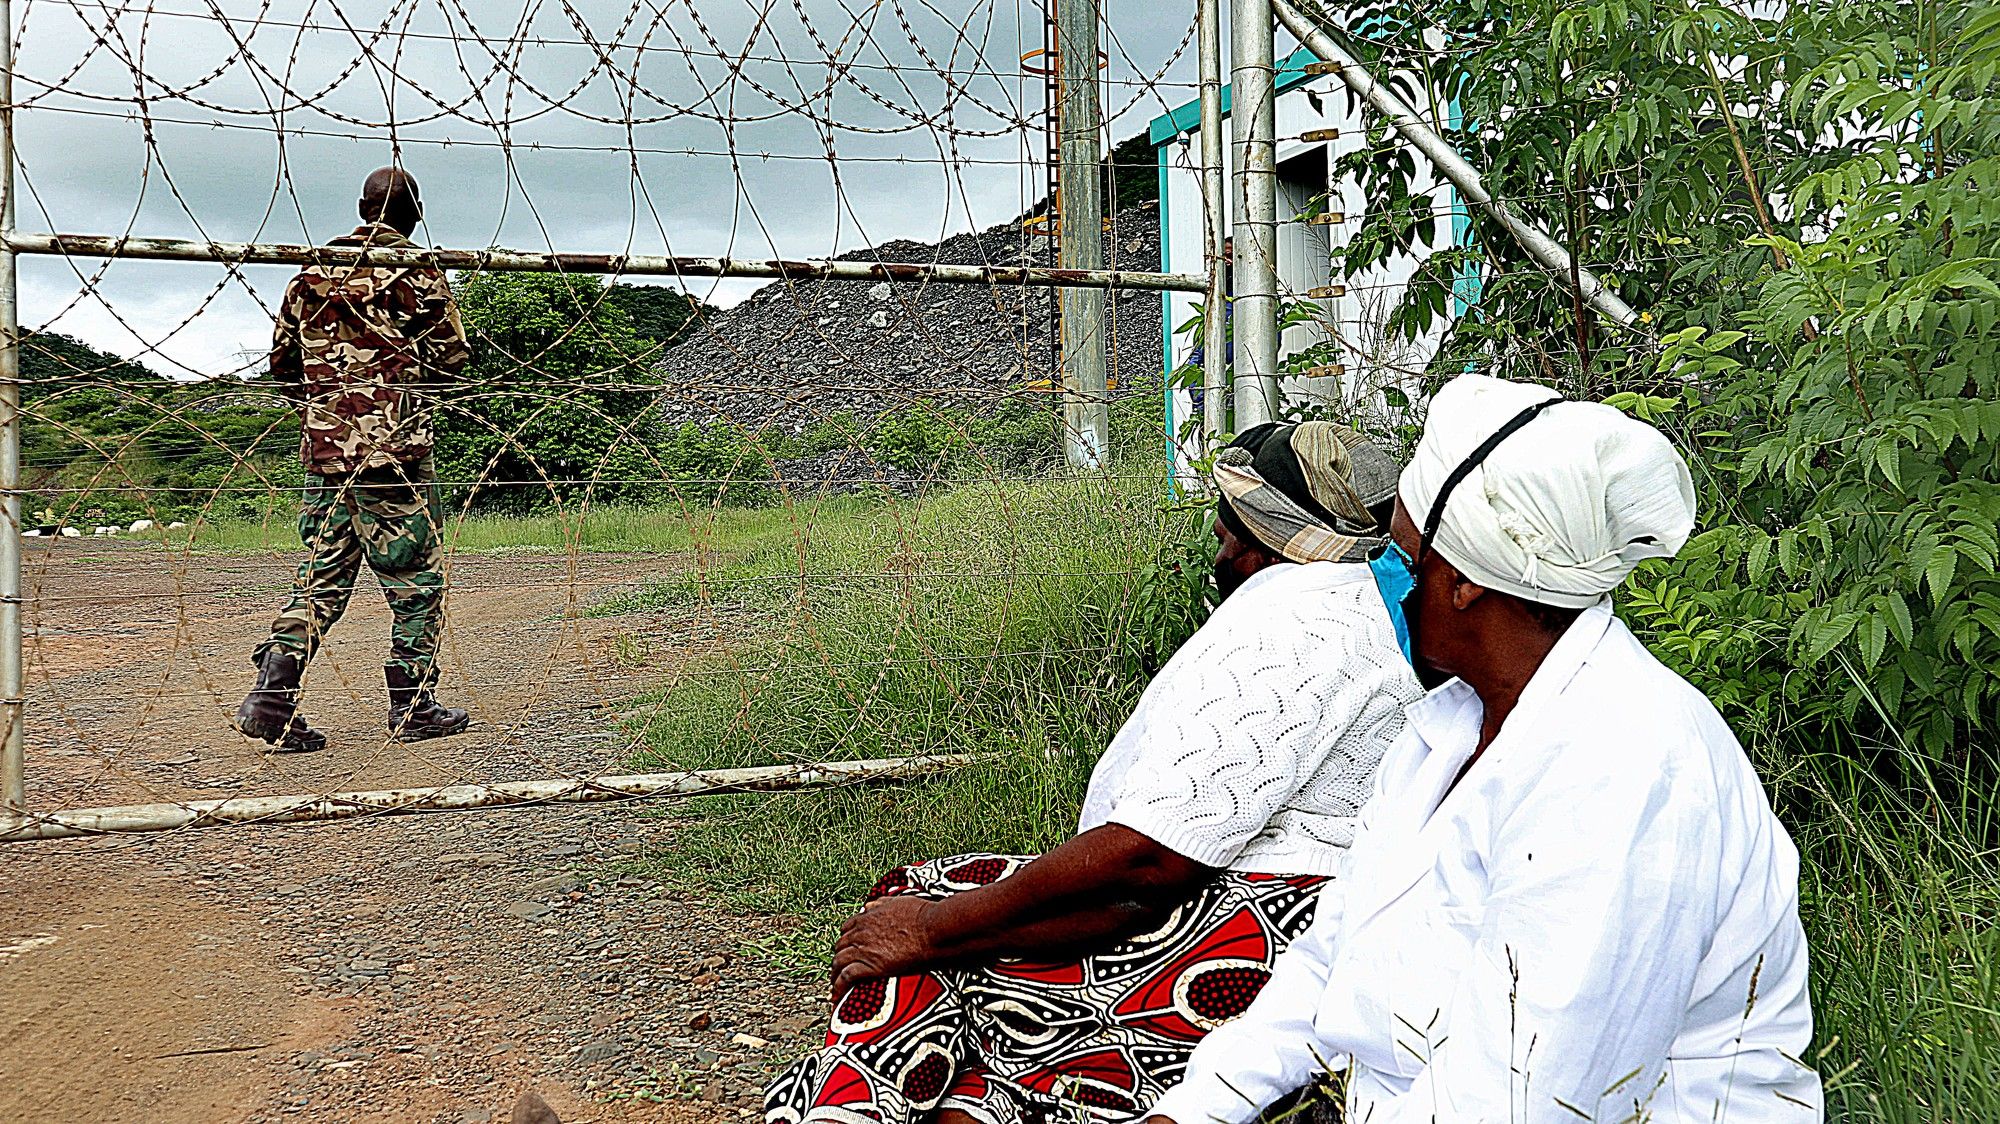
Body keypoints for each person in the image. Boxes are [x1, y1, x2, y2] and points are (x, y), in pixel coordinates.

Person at [1142, 374, 1821, 1124]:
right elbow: (1329, 963)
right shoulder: (1451, 726)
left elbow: (1521, 1096)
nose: (1378, 584)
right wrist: (1196, 1108)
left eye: (1397, 557)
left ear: (1462, 581)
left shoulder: (1622, 767)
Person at [766, 421, 1427, 1124]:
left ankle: (845, 1110)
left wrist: (934, 928)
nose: (1219, 552)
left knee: (911, 923)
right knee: (961, 971)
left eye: (1227, 533)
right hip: (1326, 932)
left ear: (1259, 547)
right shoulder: (1378, 615)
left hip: (1249, 939)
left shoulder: (1290, 619)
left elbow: (1147, 866)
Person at [235, 166, 474, 753]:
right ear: (413, 212)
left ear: (361, 208)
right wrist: (404, 387)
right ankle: (412, 705)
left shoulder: (311, 272)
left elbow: (283, 364)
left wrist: (328, 408)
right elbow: (452, 357)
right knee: (415, 579)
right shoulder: (415, 271)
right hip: (394, 454)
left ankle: (272, 695)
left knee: (320, 578)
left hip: (325, 451)